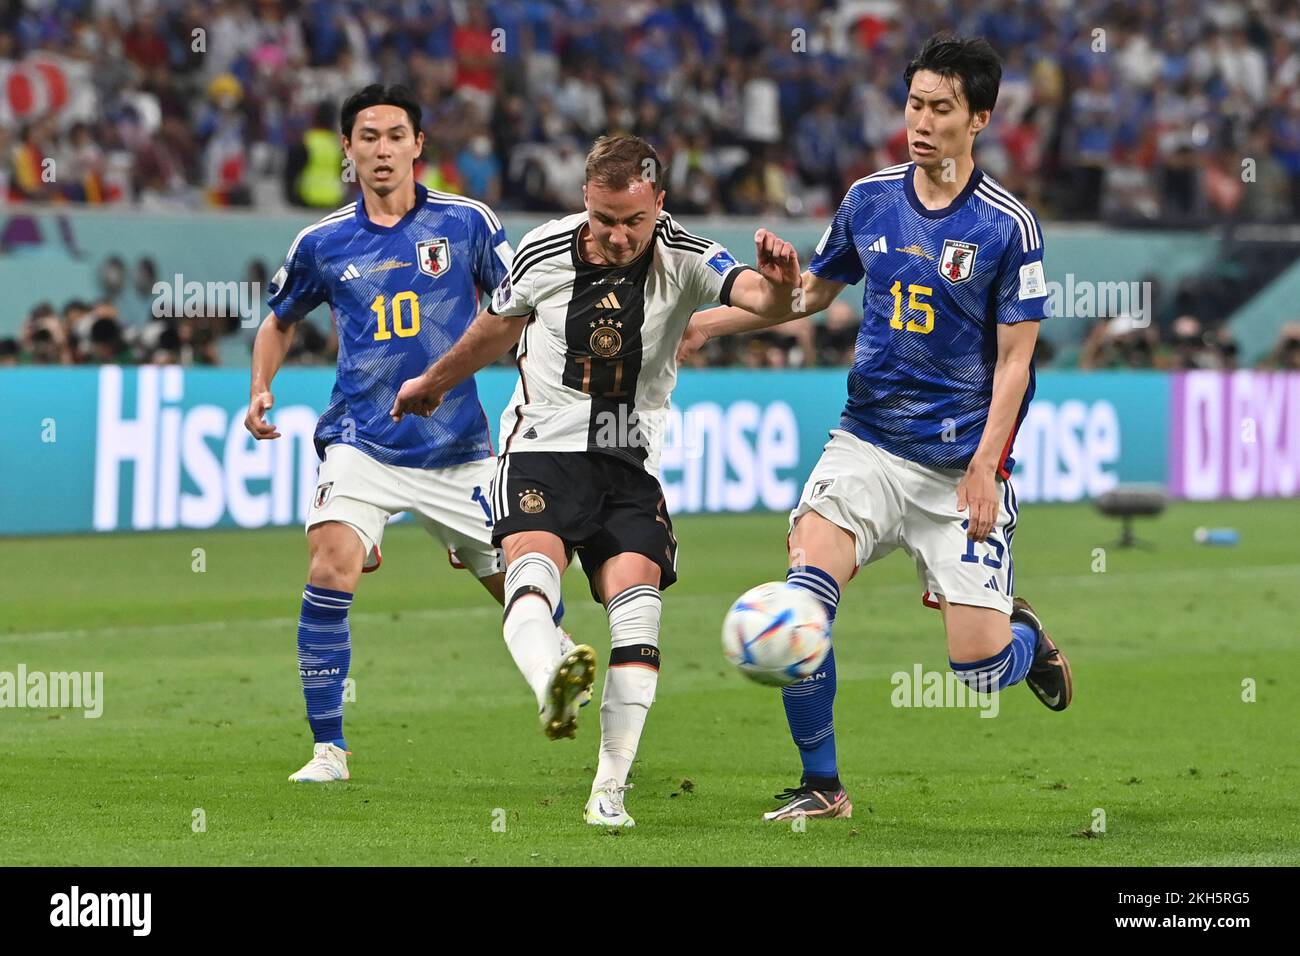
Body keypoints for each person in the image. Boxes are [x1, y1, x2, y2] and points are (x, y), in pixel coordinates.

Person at [680, 35, 1073, 822]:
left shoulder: (1008, 227)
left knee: (978, 669)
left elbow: (1015, 364)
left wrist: (985, 468)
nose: (921, 122)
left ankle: (1024, 639)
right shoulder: (870, 200)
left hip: (957, 466)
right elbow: (807, 300)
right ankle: (822, 786)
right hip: (865, 444)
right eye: (915, 103)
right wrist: (714, 322)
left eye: (942, 108)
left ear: (980, 119)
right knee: (801, 608)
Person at [390, 134, 802, 827]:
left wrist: (784, 281)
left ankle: (607, 791)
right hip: (543, 448)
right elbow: (494, 329)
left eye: (632, 222)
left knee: (638, 611)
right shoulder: (543, 250)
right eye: (603, 219)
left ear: (659, 205)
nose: (616, 236)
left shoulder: (688, 254)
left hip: (629, 462)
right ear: (586, 201)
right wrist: (433, 382)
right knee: (530, 567)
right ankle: (551, 679)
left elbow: (760, 296)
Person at [246, 84, 571, 784]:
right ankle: (328, 750)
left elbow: (519, 308)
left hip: (459, 450)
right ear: (348, 150)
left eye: (396, 136)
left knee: (521, 580)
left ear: (419, 145)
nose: (382, 149)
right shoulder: (323, 242)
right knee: (329, 563)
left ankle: (561, 678)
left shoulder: (467, 224)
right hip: (362, 439)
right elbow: (279, 319)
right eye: (368, 137)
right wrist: (261, 387)